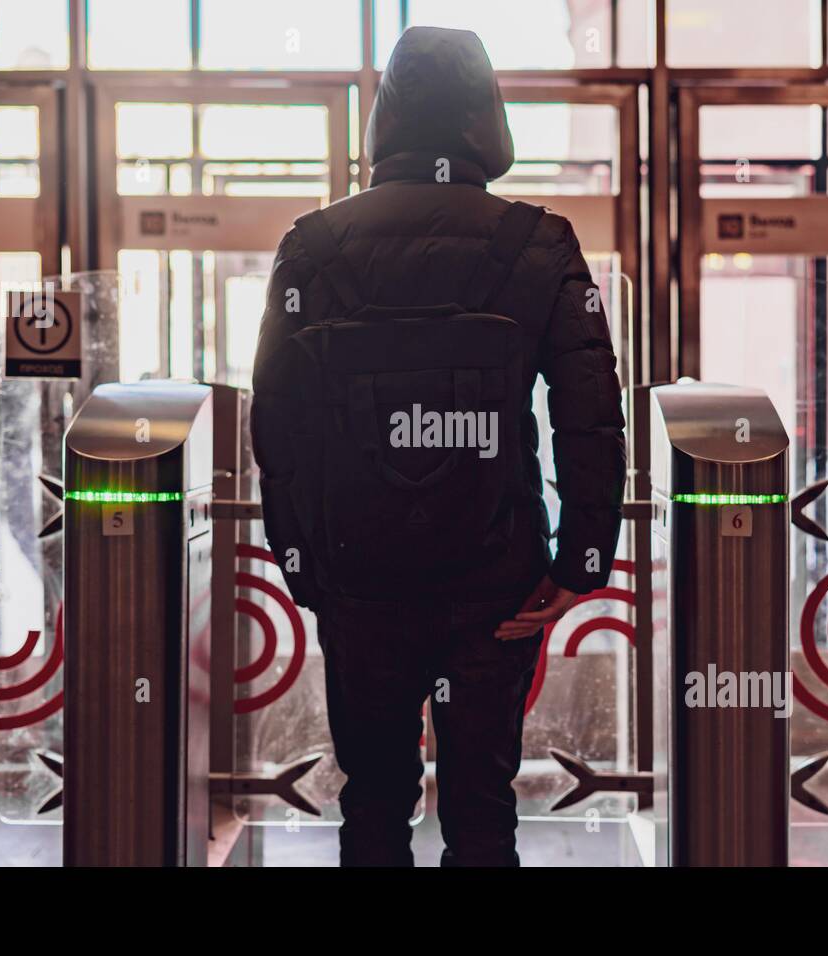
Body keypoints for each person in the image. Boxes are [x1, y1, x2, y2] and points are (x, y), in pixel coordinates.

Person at [250, 25, 626, 867]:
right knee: (484, 809)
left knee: (373, 802)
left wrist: (303, 561)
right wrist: (581, 563)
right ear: (485, 118)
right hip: (495, 581)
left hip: (360, 579)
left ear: (386, 118)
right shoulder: (539, 244)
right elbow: (590, 413)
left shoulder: (312, 246)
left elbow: (278, 420)